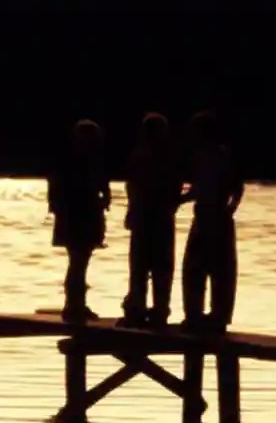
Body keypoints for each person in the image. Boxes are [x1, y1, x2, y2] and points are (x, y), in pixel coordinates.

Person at [180, 111, 244, 331]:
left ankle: (218, 316)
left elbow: (237, 187)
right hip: (204, 216)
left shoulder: (222, 156)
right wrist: (180, 199)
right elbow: (198, 189)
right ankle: (195, 314)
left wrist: (230, 209)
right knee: (195, 269)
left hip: (217, 217)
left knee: (219, 270)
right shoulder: (200, 157)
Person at [120, 113, 184, 328]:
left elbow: (133, 186)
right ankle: (157, 311)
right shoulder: (168, 156)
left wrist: (131, 210)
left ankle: (139, 310)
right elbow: (174, 186)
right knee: (159, 268)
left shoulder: (141, 155)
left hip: (147, 217)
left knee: (141, 267)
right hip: (159, 218)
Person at [47, 119, 111, 322]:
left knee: (78, 262)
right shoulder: (76, 162)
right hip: (78, 216)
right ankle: (74, 305)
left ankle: (75, 304)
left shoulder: (83, 161)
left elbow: (102, 185)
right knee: (78, 261)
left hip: (83, 215)